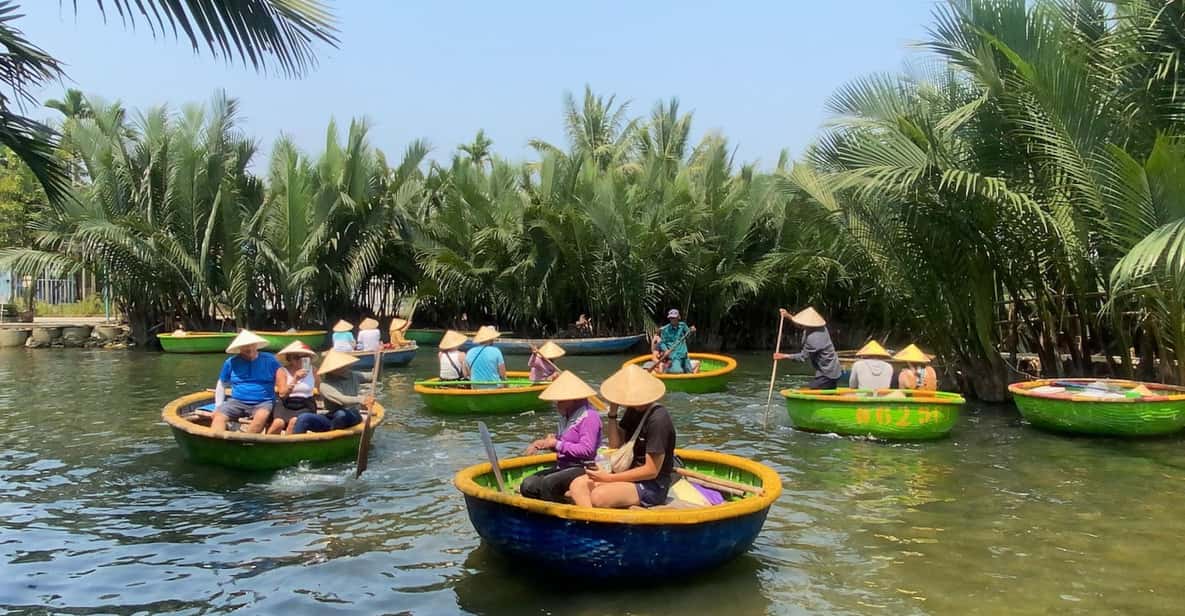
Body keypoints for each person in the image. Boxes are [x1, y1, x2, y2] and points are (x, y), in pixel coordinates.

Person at [568, 364, 676, 509]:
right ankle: (590, 520)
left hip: (652, 484)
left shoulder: (658, 419)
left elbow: (651, 470)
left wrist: (609, 478)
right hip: (627, 474)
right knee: (577, 486)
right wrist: (612, 413)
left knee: (599, 496)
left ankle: (593, 519)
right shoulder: (632, 410)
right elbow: (615, 444)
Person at [519, 371, 603, 502]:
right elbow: (562, 444)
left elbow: (587, 450)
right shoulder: (566, 417)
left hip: (582, 467)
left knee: (549, 484)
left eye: (561, 400)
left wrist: (556, 444)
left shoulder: (589, 416)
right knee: (528, 485)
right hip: (563, 465)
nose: (557, 403)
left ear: (573, 399)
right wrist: (544, 443)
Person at [211, 330, 281, 433]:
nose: (249, 348)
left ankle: (246, 441)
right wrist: (218, 406)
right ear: (239, 348)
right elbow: (222, 383)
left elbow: (282, 378)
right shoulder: (231, 362)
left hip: (263, 402)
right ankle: (218, 440)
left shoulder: (270, 360)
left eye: (251, 345)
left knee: (260, 418)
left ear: (256, 345)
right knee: (218, 417)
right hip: (237, 401)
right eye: (245, 346)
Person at [291, 350, 372, 434]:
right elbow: (342, 399)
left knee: (341, 415)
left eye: (344, 365)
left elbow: (371, 376)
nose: (345, 368)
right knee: (304, 418)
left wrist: (378, 364)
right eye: (340, 367)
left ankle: (332, 432)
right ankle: (297, 439)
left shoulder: (353, 375)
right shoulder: (325, 385)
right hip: (333, 416)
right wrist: (361, 399)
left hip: (353, 414)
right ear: (332, 370)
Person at [773, 306, 842, 390]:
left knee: (812, 389)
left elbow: (803, 357)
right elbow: (800, 325)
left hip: (828, 373)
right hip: (831, 370)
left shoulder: (814, 338)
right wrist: (788, 316)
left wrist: (784, 356)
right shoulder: (820, 327)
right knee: (821, 389)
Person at [268, 341, 319, 434]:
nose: (300, 360)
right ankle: (266, 441)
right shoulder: (282, 371)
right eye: (296, 357)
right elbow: (282, 394)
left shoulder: (313, 370)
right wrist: (295, 379)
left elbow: (319, 389)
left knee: (294, 421)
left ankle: (287, 442)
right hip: (285, 402)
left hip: (305, 404)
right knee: (278, 423)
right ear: (289, 359)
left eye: (305, 357)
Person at [657, 309, 697, 374]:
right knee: (677, 371)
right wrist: (666, 350)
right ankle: (667, 368)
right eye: (671, 318)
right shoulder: (665, 329)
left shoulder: (683, 325)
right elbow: (662, 343)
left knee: (690, 373)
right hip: (674, 356)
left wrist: (692, 331)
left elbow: (688, 336)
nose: (672, 319)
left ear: (678, 318)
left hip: (684, 354)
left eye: (674, 318)